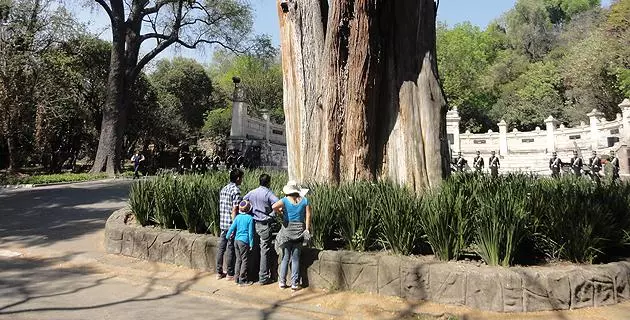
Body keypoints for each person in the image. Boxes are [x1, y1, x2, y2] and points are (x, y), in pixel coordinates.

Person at [272, 181, 312, 291]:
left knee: (285, 257)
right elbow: (308, 216)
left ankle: (282, 282)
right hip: (299, 231)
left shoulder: (284, 200)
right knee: (295, 258)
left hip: (287, 231)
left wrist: (281, 212)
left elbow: (274, 206)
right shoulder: (305, 201)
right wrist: (307, 229)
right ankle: (295, 283)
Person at [243, 174, 279, 285]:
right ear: (268, 182)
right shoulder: (268, 193)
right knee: (265, 250)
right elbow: (278, 204)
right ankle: (263, 277)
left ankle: (252, 274)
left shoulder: (252, 192)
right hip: (264, 224)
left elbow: (243, 201)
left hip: (253, 224)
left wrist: (250, 210)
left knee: (253, 248)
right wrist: (272, 215)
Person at [216, 169, 244, 281]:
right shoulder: (235, 190)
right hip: (230, 223)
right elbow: (235, 209)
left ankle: (218, 272)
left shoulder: (224, 189)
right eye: (241, 178)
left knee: (221, 247)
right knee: (230, 248)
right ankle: (230, 273)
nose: (242, 180)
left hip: (222, 222)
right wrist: (235, 224)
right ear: (238, 178)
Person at [226, 200, 255, 286]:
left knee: (238, 259)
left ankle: (236, 277)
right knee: (244, 260)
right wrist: (251, 244)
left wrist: (227, 236)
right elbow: (251, 233)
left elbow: (232, 228)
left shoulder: (237, 217)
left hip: (236, 240)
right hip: (244, 241)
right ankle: (242, 279)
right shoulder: (250, 218)